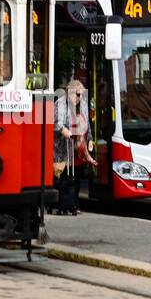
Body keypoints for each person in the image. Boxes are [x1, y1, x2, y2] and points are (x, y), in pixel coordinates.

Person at [53, 80, 97, 215]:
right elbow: (58, 123)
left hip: (77, 145)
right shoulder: (60, 103)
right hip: (63, 145)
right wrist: (65, 131)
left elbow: (87, 123)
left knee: (76, 175)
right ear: (70, 92)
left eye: (81, 94)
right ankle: (63, 204)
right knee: (64, 176)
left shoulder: (82, 103)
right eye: (77, 94)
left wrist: (89, 139)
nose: (79, 97)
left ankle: (74, 204)